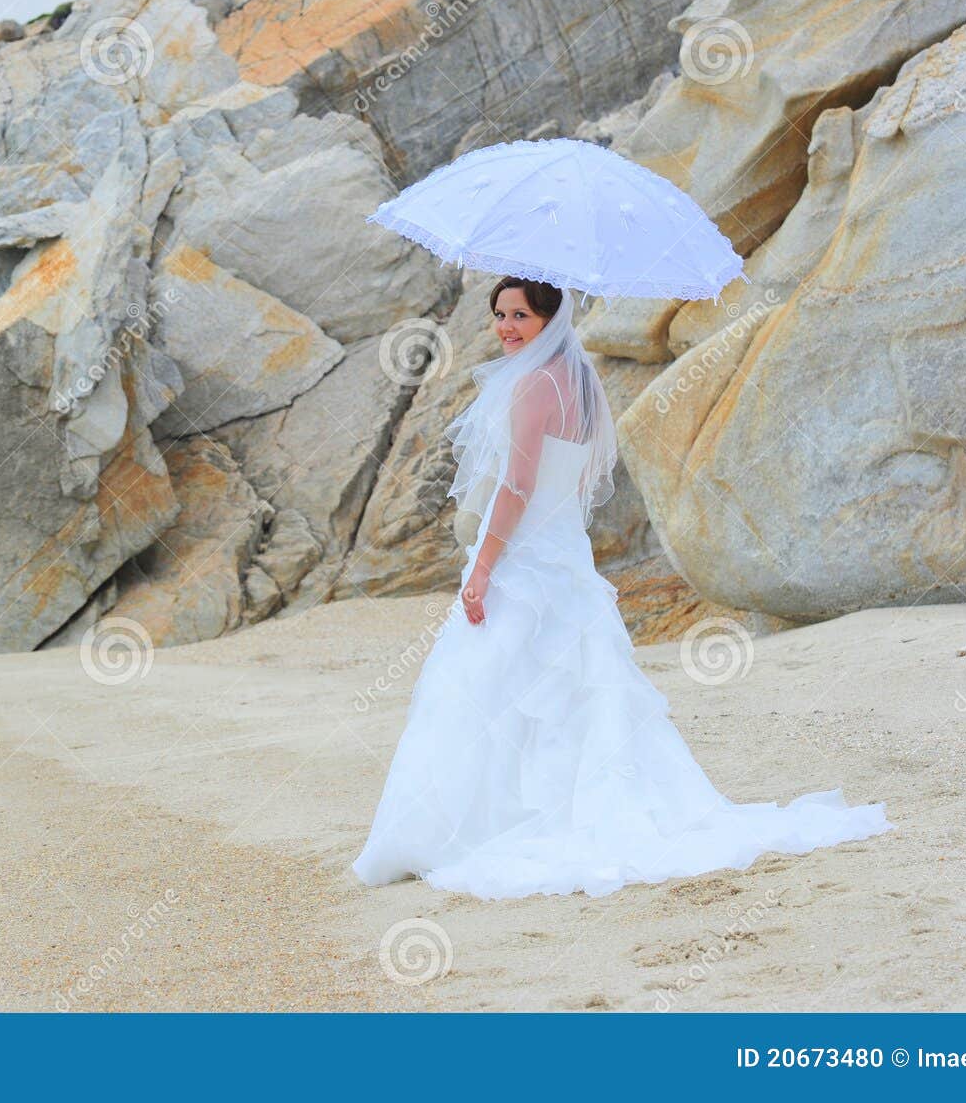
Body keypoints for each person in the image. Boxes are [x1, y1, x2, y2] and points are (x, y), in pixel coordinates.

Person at [351, 277, 894, 899]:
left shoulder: (531, 384)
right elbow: (576, 481)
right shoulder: (581, 384)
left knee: (489, 685)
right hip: (563, 557)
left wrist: (482, 567)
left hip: (526, 561)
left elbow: (518, 487)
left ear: (549, 318)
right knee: (567, 687)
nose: (506, 327)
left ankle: (466, 830)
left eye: (520, 315)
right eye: (499, 314)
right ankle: (529, 814)